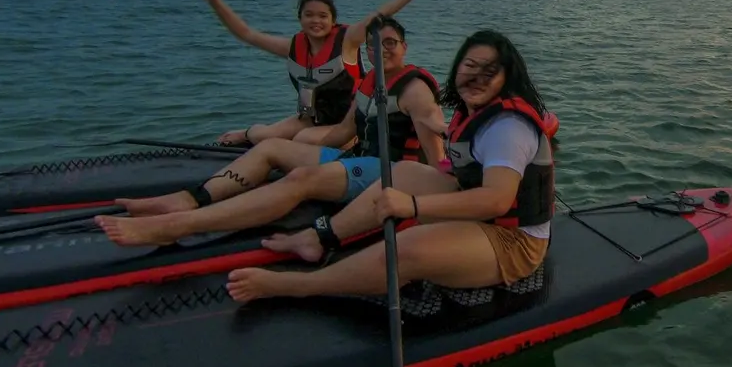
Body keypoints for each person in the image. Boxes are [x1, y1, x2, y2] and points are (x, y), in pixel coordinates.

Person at [224, 29, 557, 303]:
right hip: (483, 214)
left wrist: (412, 205)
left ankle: (297, 286)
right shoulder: (472, 112)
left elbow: (496, 201)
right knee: (404, 172)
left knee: (407, 249)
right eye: (471, 66)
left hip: (514, 241)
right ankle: (317, 238)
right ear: (458, 68)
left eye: (490, 72)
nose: (477, 78)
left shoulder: (507, 127)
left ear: (506, 79)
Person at [95, 14, 447, 243]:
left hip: (389, 174)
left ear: (404, 47)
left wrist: (424, 209)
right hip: (356, 158)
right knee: (270, 149)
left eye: (390, 43)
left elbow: (436, 163)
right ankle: (186, 199)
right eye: (374, 43)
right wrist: (300, 145)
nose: (381, 49)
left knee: (301, 180)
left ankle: (177, 226)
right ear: (366, 48)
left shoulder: (415, 90)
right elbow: (341, 133)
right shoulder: (369, 81)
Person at [192, 0, 441, 145]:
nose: (316, 21)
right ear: (300, 19)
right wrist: (214, 1)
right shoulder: (293, 46)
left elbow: (379, 14)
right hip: (310, 119)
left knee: (300, 140)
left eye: (323, 16)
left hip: (348, 125)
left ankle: (345, 146)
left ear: (332, 20)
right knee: (260, 136)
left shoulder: (348, 39)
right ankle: (246, 133)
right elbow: (247, 33)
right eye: (309, 15)